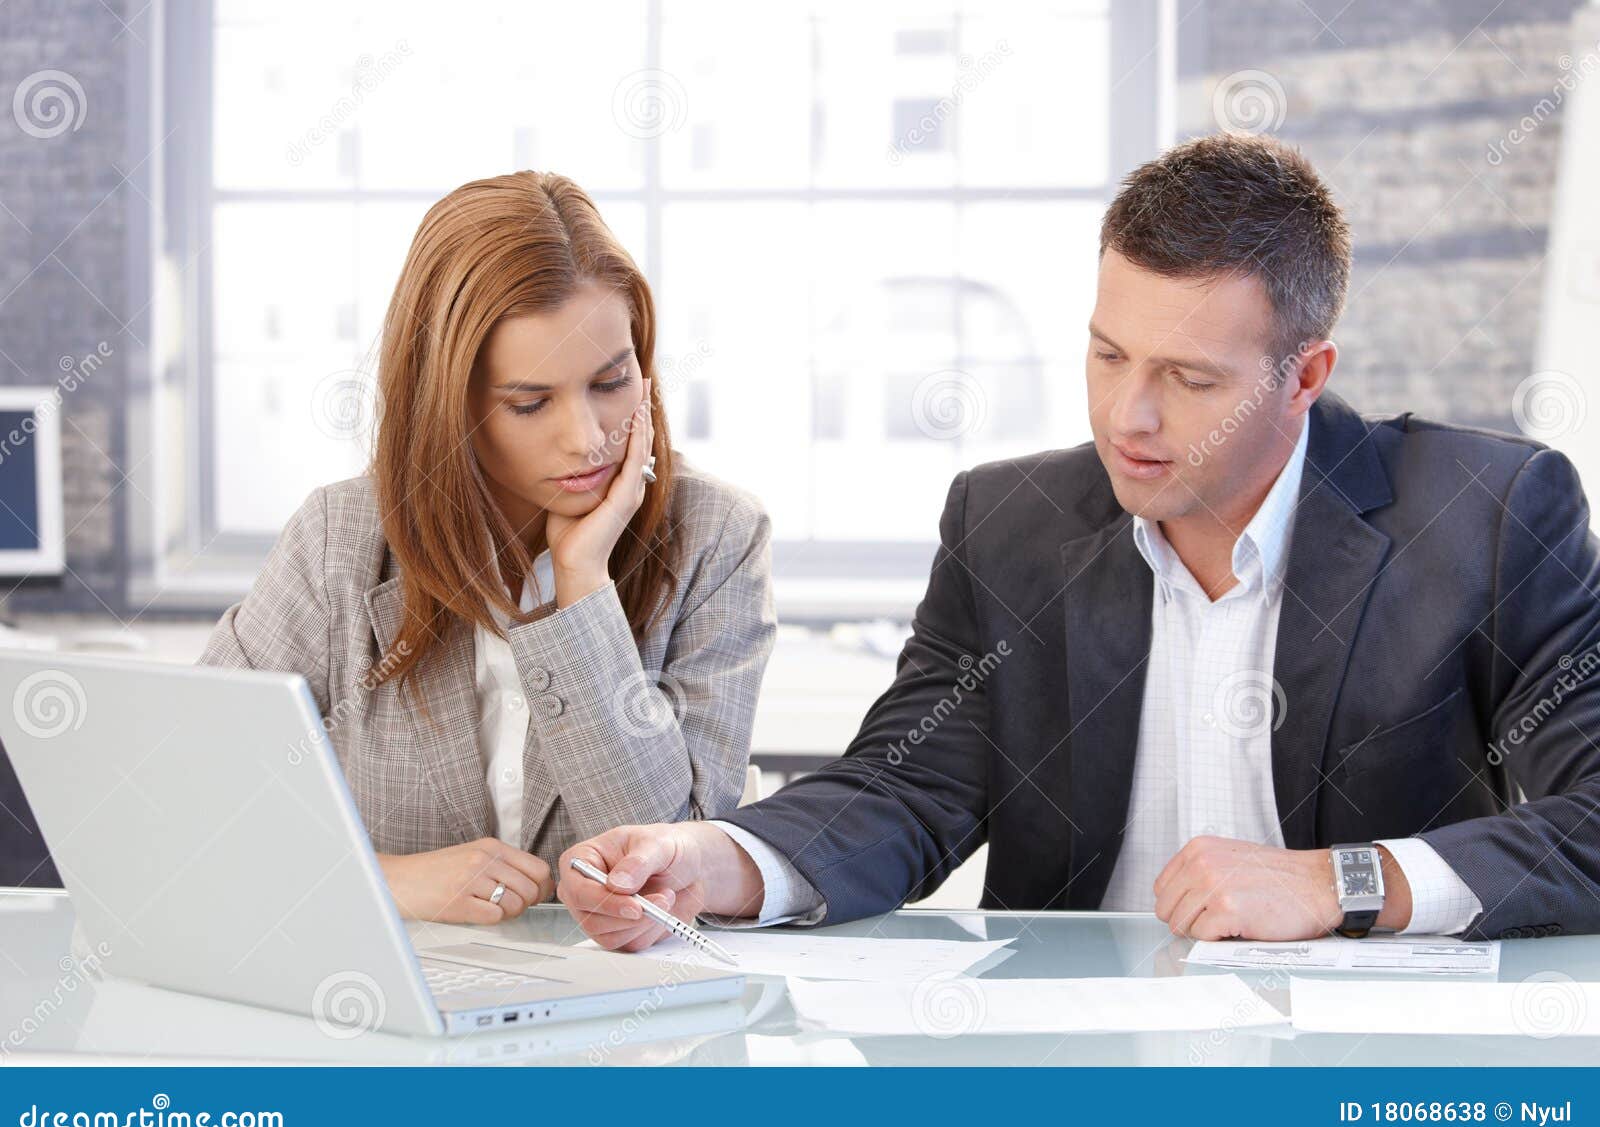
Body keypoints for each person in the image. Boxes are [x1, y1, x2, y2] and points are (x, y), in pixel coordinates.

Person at [560, 133, 1600, 949]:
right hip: (1074, 1054)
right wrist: (713, 858)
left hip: (1355, 1064)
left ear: (1306, 375)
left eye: (1190, 378)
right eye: (1108, 355)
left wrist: (1343, 882)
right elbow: (905, 788)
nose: (1127, 417)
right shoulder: (1009, 523)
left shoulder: (1484, 516)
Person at [201, 172, 775, 926]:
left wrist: (582, 585)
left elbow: (665, 874)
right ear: (446, 403)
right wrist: (384, 881)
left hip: (620, 992)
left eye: (611, 382)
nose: (587, 438)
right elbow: (193, 795)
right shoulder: (341, 537)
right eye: (529, 402)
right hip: (388, 990)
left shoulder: (718, 536)